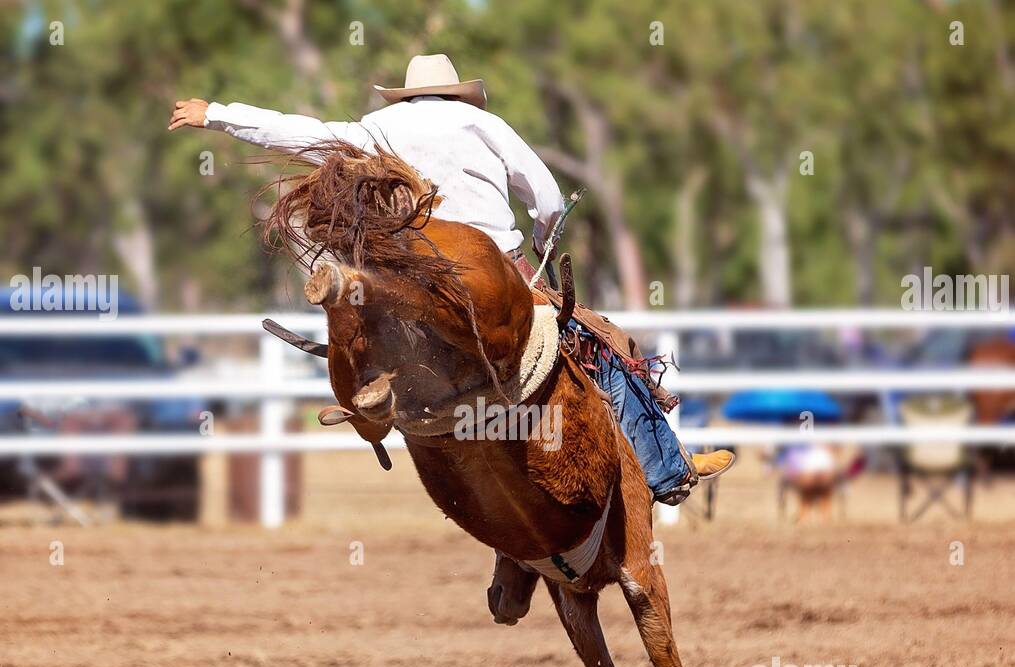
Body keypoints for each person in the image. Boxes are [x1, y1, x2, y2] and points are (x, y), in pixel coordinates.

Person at [169, 53, 733, 503]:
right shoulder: (483, 123)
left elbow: (298, 133)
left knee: (364, 321)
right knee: (601, 345)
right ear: (457, 90)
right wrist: (542, 240)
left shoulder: (375, 127)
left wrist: (215, 112)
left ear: (407, 94)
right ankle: (668, 470)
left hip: (404, 271)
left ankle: (368, 395)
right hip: (499, 264)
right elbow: (548, 197)